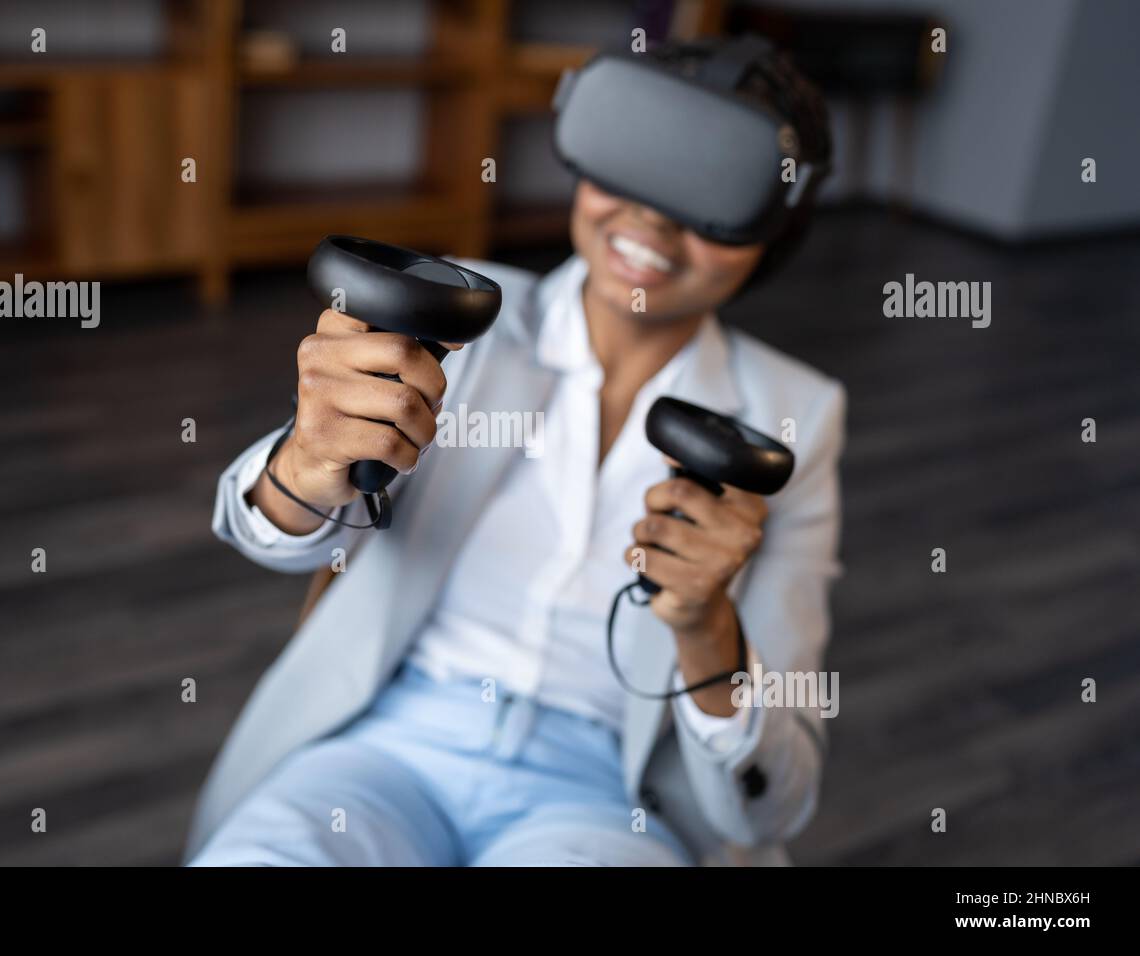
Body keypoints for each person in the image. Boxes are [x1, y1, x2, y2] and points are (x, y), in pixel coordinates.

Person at [187, 37, 845, 866]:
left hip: (609, 796)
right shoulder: (454, 311)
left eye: (709, 189)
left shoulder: (796, 418)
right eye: (636, 162)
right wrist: (306, 462)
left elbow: (776, 795)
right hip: (383, 753)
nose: (652, 218)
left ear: (776, 228)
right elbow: (269, 534)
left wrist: (708, 626)